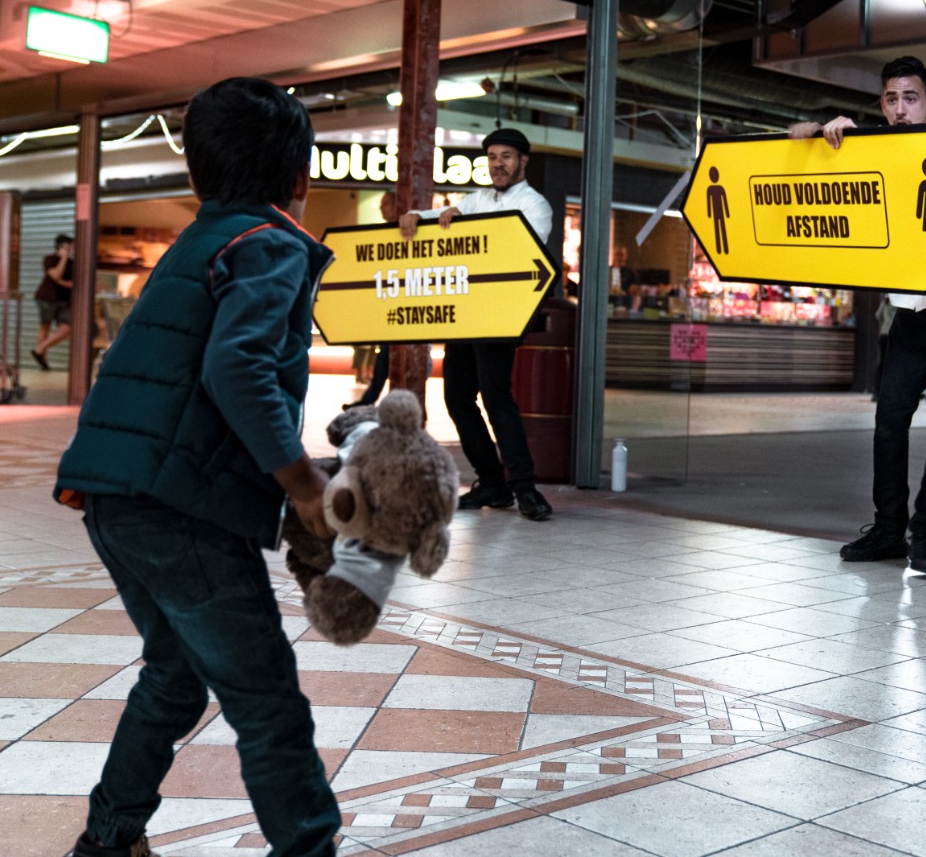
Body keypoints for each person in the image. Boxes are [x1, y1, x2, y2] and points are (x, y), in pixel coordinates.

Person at [52, 78, 340, 857]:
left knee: (176, 672)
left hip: (113, 491)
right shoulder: (270, 241)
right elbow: (236, 369)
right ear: (301, 175)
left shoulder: (200, 240)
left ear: (195, 171)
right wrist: (302, 484)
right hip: (179, 508)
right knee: (267, 698)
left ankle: (110, 838)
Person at [789, 55, 926, 577]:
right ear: (883, 105)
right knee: (890, 413)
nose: (901, 108)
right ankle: (889, 527)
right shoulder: (881, 144)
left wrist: (858, 138)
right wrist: (823, 133)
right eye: (891, 99)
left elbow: (916, 153)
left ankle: (925, 530)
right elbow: (822, 161)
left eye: (911, 98)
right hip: (916, 299)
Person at [399, 126, 554, 521]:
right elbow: (434, 218)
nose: (497, 164)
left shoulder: (535, 205)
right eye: (492, 157)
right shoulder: (478, 199)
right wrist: (418, 216)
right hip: (466, 315)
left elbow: (518, 248)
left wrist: (466, 224)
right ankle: (492, 482)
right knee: (456, 398)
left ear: (523, 161)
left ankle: (524, 487)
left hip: (499, 316)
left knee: (496, 397)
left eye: (506, 157)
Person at [345, 190, 402, 409]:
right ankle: (370, 400)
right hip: (386, 305)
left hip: (399, 308)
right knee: (383, 356)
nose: (381, 208)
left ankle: (372, 401)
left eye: (386, 204)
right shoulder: (382, 234)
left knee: (385, 356)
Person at [31, 233, 74, 370]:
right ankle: (42, 361)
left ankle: (39, 349)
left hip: (64, 300)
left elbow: (73, 283)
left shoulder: (73, 264)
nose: (71, 249)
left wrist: (61, 282)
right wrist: (63, 258)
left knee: (67, 328)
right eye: (68, 246)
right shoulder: (49, 259)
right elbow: (56, 275)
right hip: (47, 298)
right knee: (45, 327)